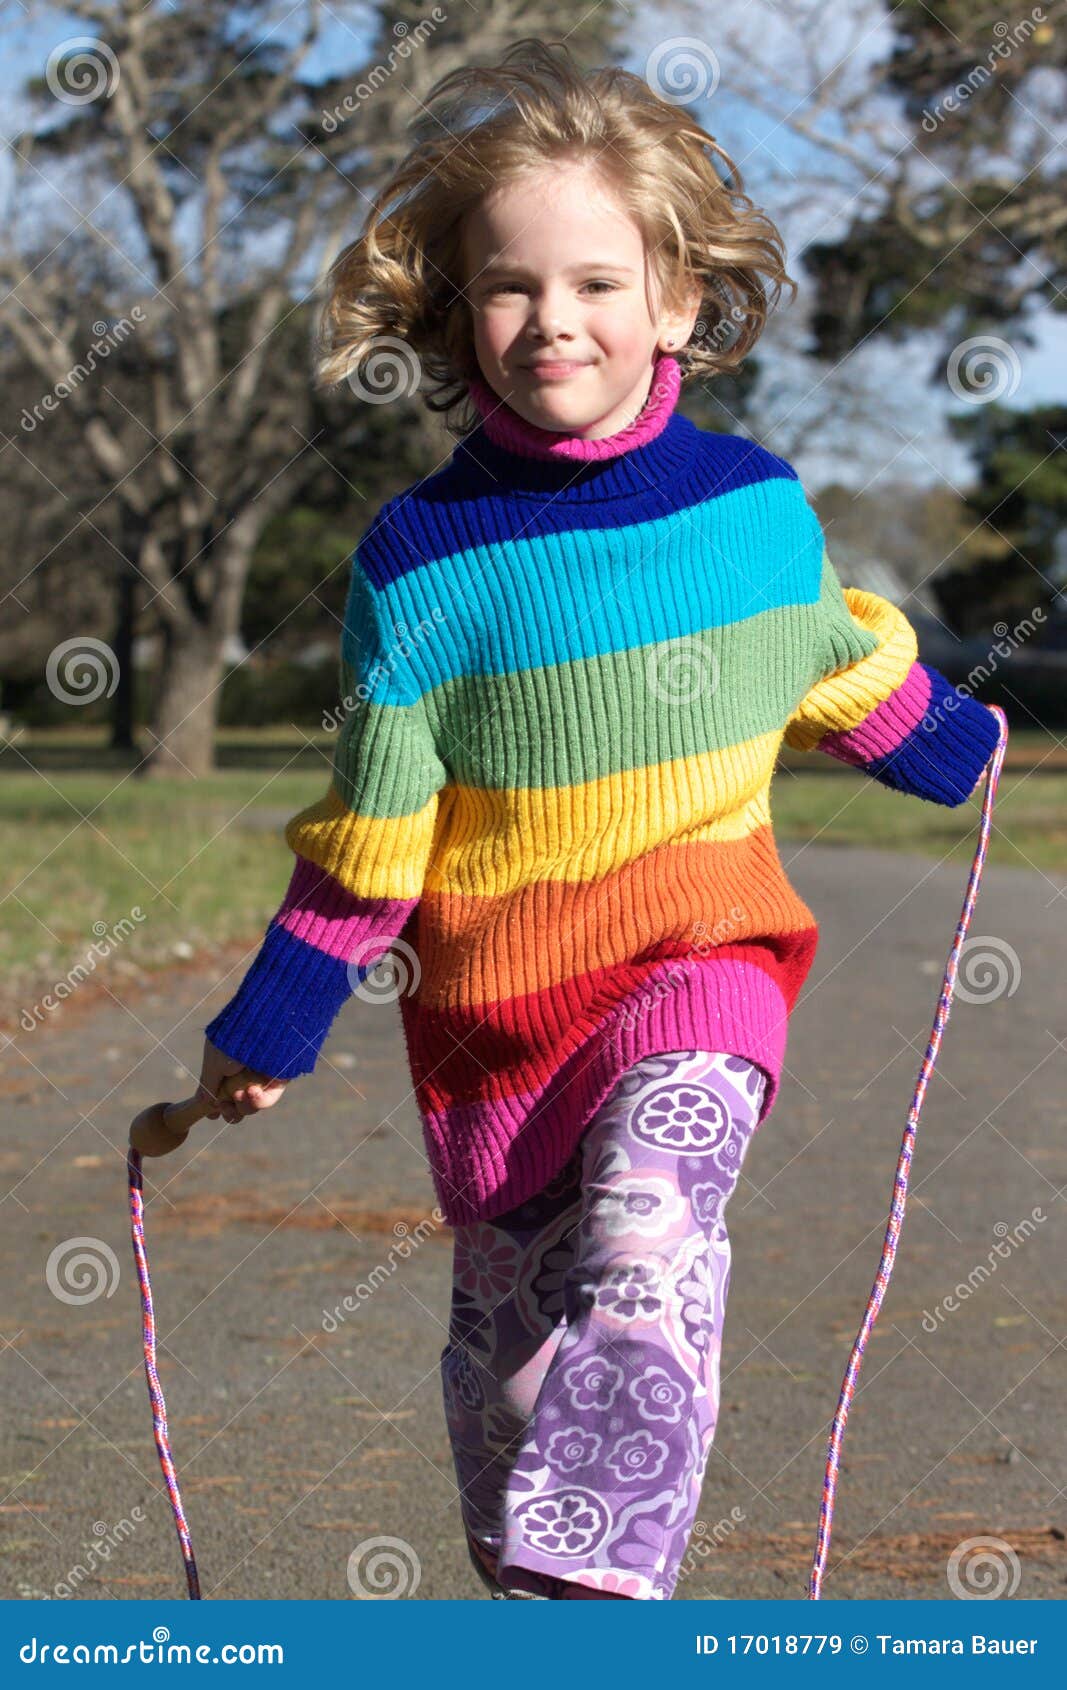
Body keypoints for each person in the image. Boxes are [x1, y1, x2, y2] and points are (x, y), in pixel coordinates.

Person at [195, 39, 1000, 1600]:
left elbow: (828, 655)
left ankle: (609, 1575)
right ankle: (544, 1612)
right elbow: (377, 832)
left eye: (597, 283)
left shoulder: (751, 507)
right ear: (455, 315)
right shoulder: (420, 562)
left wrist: (959, 743)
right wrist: (272, 1022)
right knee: (506, 1405)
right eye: (509, 288)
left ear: (679, 301)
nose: (553, 320)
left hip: (701, 982)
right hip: (501, 1021)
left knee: (650, 1233)